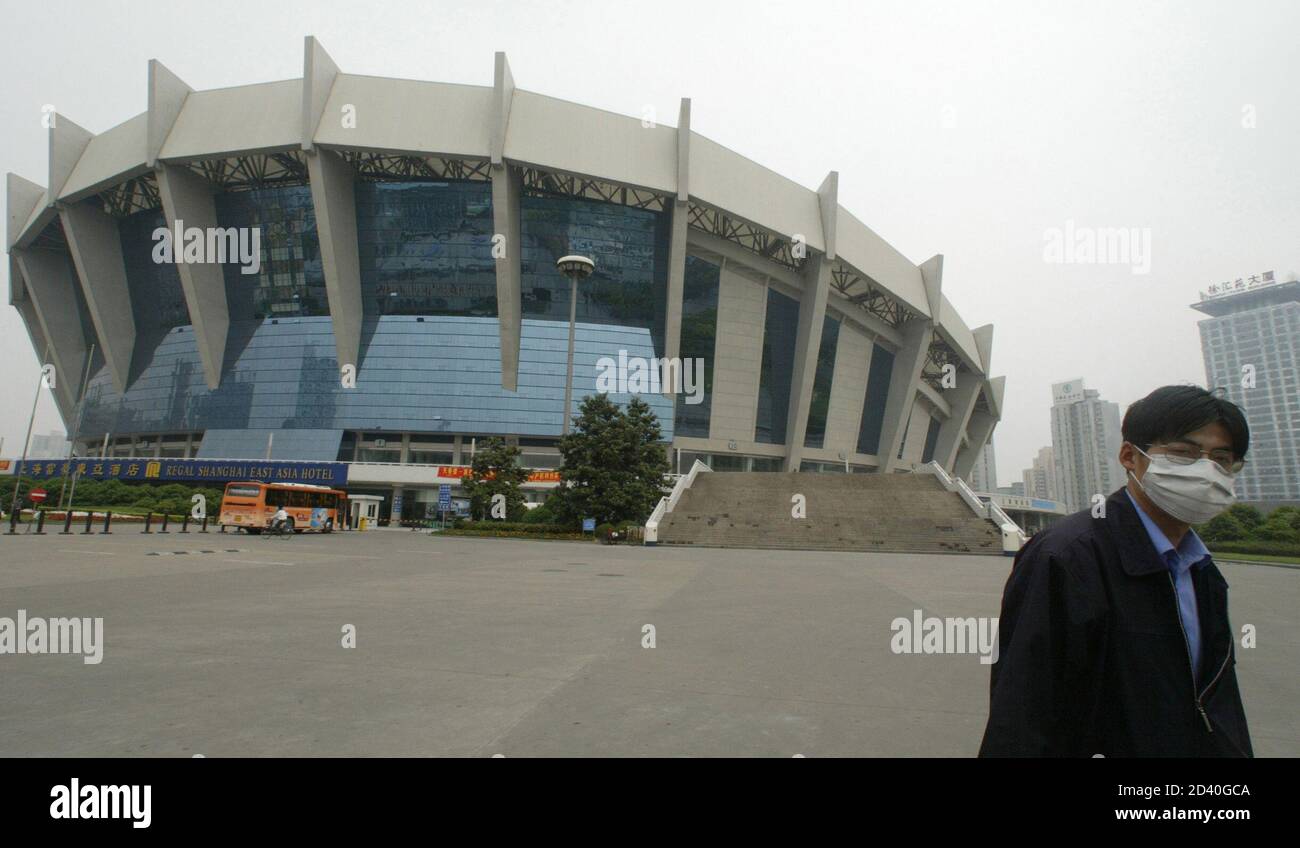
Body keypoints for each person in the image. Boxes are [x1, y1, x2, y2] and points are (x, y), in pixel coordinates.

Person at [979, 385, 1252, 757]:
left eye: (1221, 458)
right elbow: (1024, 713)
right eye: (1184, 454)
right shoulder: (1065, 557)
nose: (1207, 471)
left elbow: (1216, 699)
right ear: (1129, 456)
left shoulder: (1201, 570)